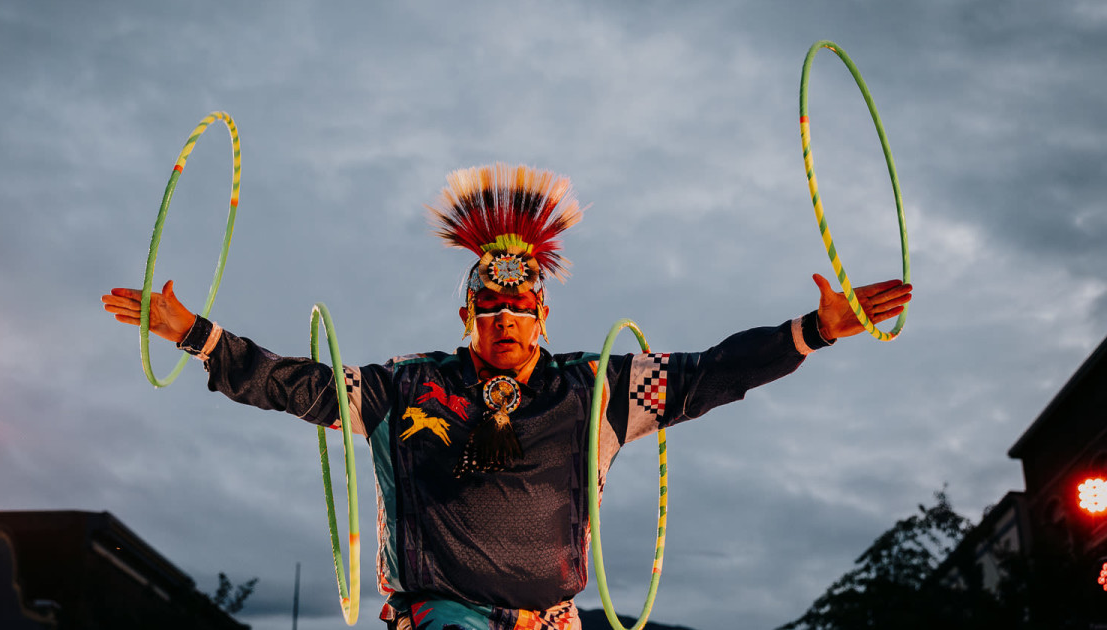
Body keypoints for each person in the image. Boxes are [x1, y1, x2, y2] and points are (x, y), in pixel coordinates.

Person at [102, 164, 911, 630]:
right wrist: (195, 334)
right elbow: (297, 385)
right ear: (467, 315)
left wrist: (812, 329)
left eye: (521, 310)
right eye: (490, 309)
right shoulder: (404, 386)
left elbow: (710, 373)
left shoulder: (596, 391)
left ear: (543, 314)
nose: (506, 323)